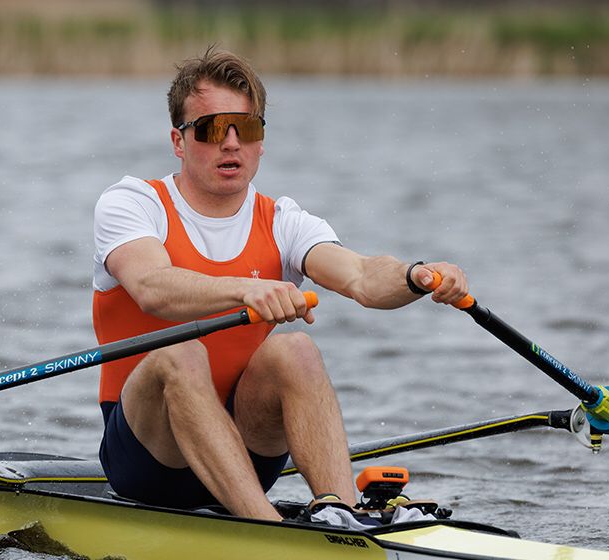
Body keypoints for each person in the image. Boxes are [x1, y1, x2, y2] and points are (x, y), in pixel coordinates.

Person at [92, 47, 468, 522]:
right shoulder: (132, 203)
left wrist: (417, 276)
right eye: (211, 129)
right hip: (147, 457)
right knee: (181, 354)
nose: (231, 144)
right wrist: (245, 289)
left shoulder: (283, 220)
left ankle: (342, 516)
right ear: (179, 141)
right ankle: (269, 532)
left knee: (297, 351)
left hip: (249, 447)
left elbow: (362, 278)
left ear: (261, 142)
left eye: (245, 129)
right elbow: (152, 286)